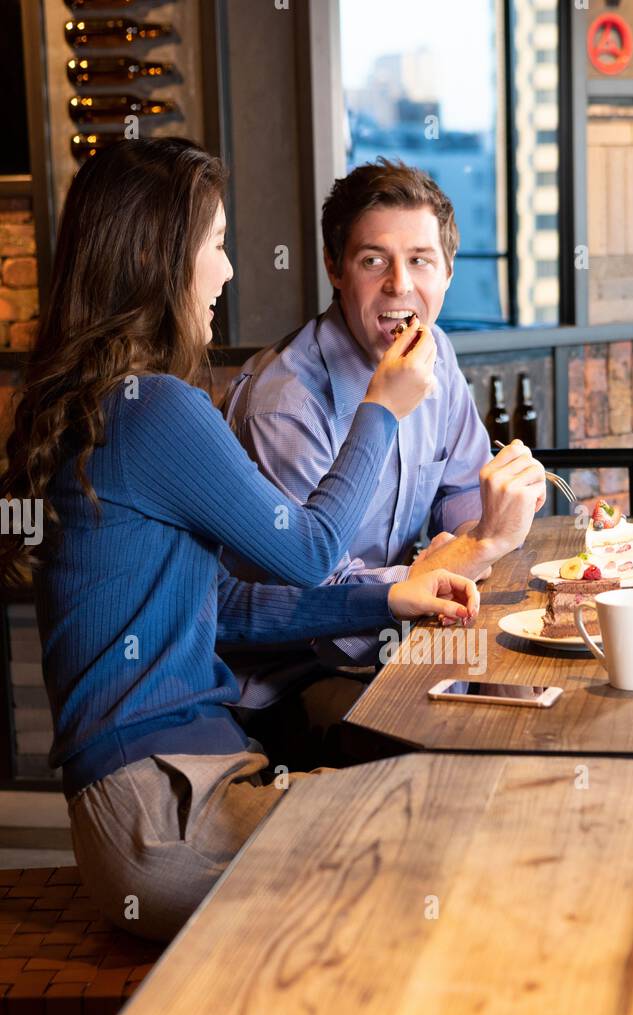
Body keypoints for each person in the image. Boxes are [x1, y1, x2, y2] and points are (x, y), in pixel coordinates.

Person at [0, 138, 479, 943]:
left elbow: (218, 608)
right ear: (158, 254)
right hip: (166, 808)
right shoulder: (155, 409)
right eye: (216, 244)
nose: (226, 272)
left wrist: (386, 596)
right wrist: (382, 408)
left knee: (421, 817)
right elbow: (310, 548)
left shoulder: (110, 403)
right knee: (427, 846)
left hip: (161, 796)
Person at [221, 158, 545, 768]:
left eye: (420, 260)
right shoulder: (284, 405)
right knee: (460, 747)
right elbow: (321, 606)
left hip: (401, 638)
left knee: (534, 698)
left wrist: (490, 518)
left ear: (447, 273)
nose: (399, 284)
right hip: (291, 679)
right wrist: (469, 551)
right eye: (374, 260)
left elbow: (461, 492)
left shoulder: (434, 353)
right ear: (335, 270)